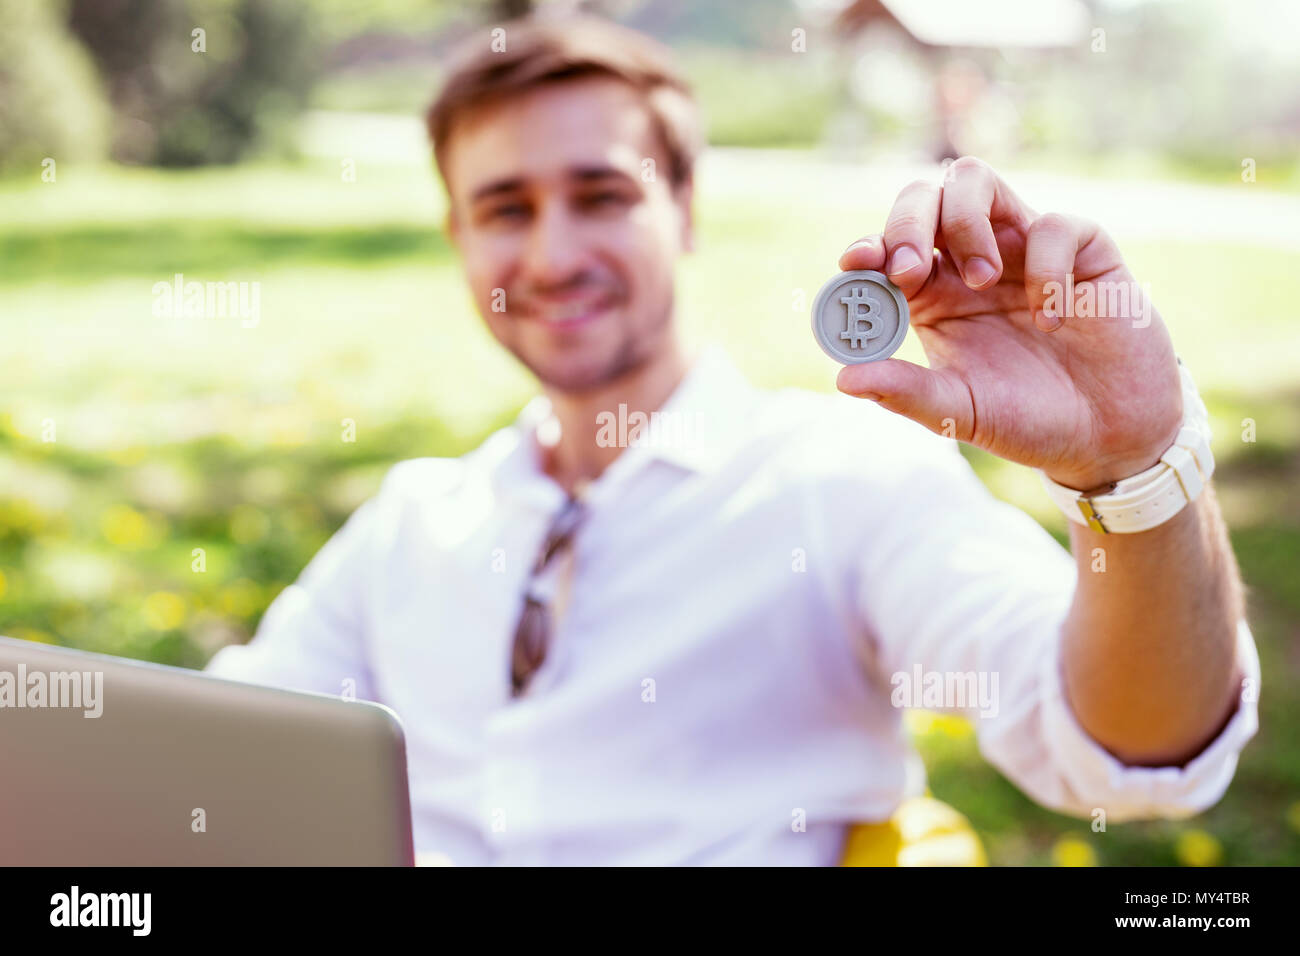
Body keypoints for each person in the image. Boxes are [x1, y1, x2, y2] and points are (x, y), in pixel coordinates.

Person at [205, 14, 1260, 865]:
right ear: (458, 238)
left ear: (686, 205)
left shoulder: (841, 479)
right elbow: (213, 764)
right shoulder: (413, 521)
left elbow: (1131, 747)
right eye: (504, 208)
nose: (552, 252)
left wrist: (1133, 469)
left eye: (601, 193)